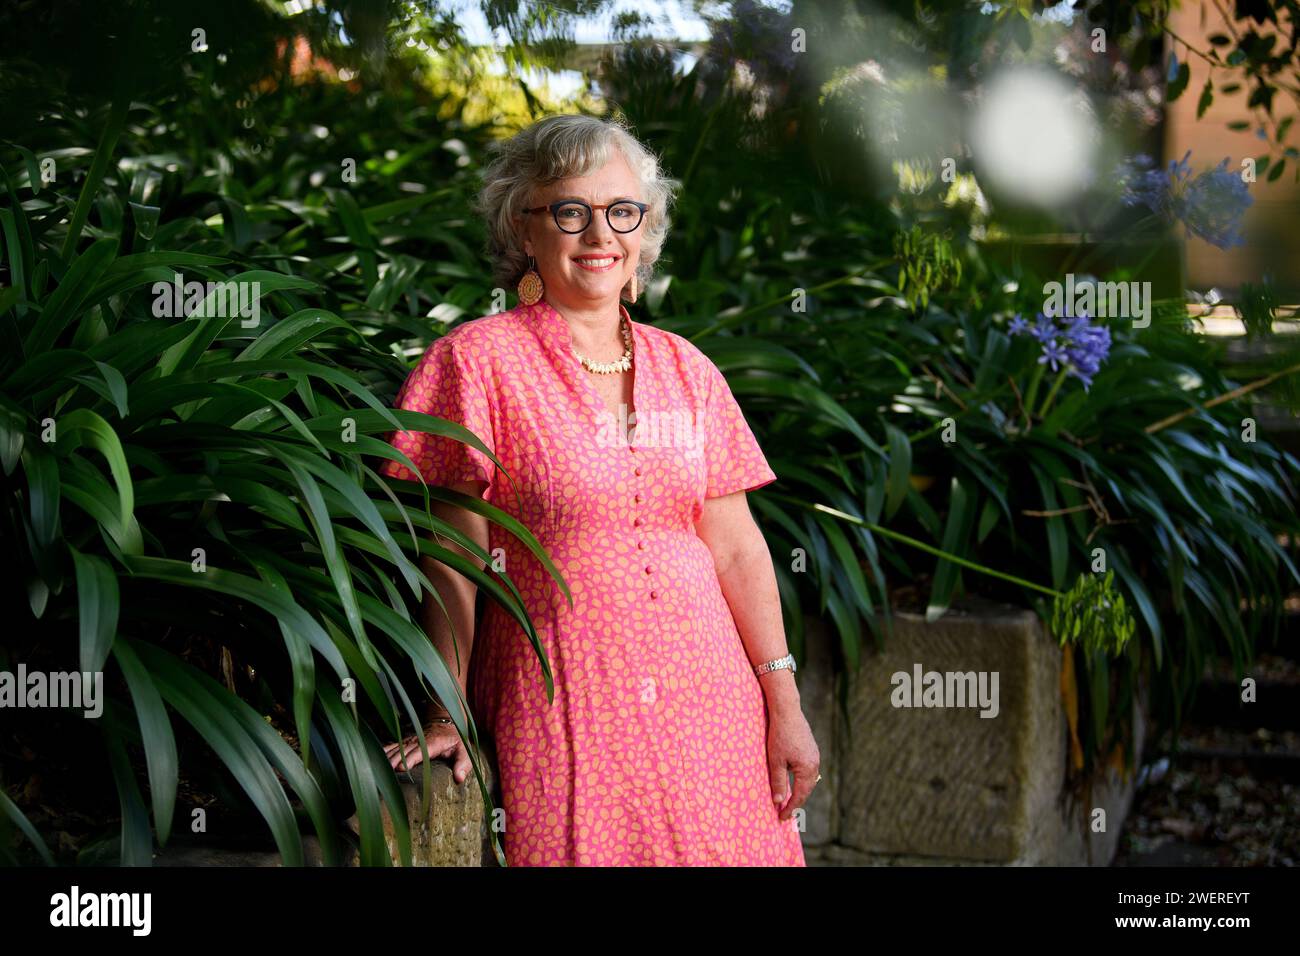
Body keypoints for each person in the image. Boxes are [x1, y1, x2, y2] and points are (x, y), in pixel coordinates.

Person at [379, 113, 818, 866]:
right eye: (570, 212)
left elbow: (740, 550)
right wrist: (443, 706)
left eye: (622, 212)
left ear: (643, 233)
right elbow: (453, 557)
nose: (600, 235)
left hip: (713, 712)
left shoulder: (689, 368)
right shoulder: (475, 365)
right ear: (524, 227)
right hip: (566, 709)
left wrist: (784, 702)